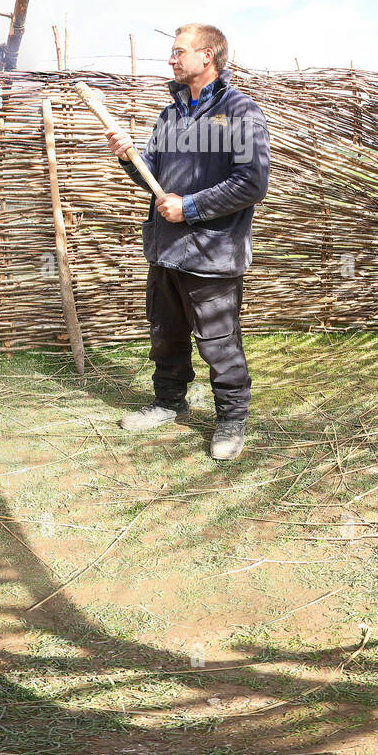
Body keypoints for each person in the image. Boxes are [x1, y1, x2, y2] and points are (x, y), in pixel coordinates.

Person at [101, 23, 268, 460]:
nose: (171, 60)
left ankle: (231, 419)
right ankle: (169, 402)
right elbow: (152, 179)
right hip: (165, 248)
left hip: (212, 252)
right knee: (166, 334)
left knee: (218, 342)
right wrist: (128, 158)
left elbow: (251, 183)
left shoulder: (240, 111)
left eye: (179, 52)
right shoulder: (170, 116)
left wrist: (189, 207)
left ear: (207, 56)